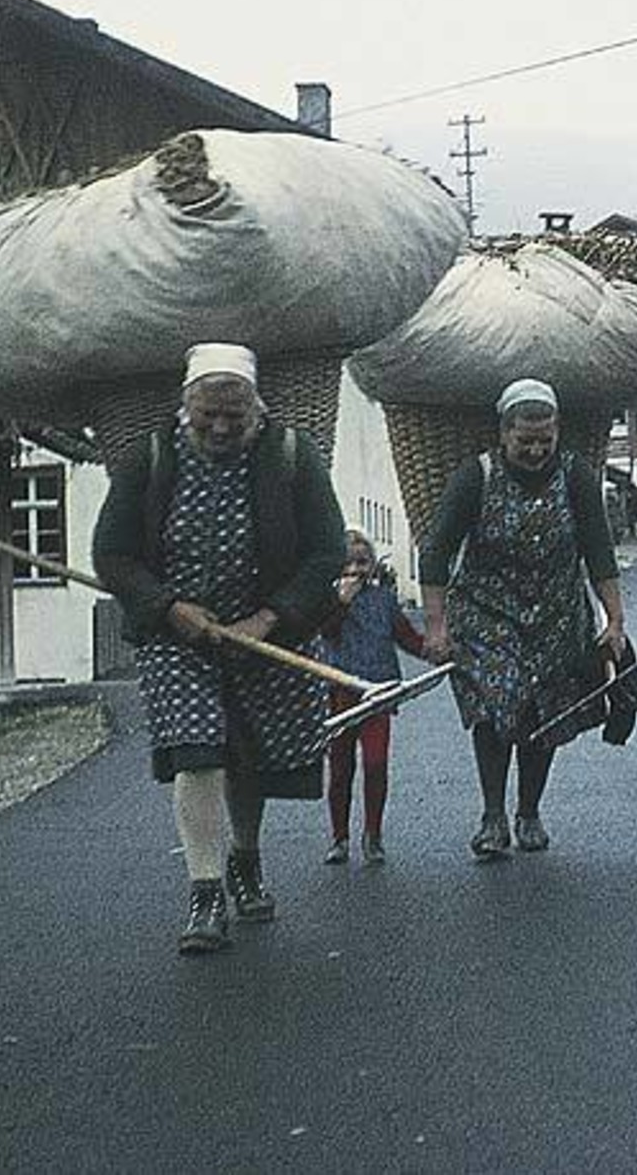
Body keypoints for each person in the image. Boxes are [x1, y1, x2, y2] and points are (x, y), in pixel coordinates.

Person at [92, 342, 346, 954]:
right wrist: (169, 609)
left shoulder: (291, 456)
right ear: (187, 405)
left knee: (246, 756)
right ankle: (204, 894)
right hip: (176, 638)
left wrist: (269, 618)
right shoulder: (149, 458)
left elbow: (326, 552)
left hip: (263, 637)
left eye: (235, 415)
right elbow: (112, 553)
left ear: (257, 410)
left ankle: (245, 858)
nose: (222, 427)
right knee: (197, 750)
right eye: (209, 414)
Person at [420, 378, 626, 857]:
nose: (536, 450)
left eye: (545, 441)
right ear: (504, 434)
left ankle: (528, 811)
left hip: (557, 612)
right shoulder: (476, 477)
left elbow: (599, 551)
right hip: (486, 612)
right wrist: (436, 626)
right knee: (497, 708)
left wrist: (614, 620)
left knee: (545, 711)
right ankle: (492, 816)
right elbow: (436, 554)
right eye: (525, 441)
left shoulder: (576, 476)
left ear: (557, 433)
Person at [316, 529, 427, 866]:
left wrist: (434, 650)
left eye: (362, 562)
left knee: (376, 764)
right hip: (341, 692)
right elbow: (326, 630)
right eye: (348, 562)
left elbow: (406, 637)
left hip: (379, 692)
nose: (355, 569)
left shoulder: (385, 600)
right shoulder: (329, 599)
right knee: (340, 767)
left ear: (373, 565)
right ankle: (339, 837)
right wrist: (341, 601)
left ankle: (373, 835)